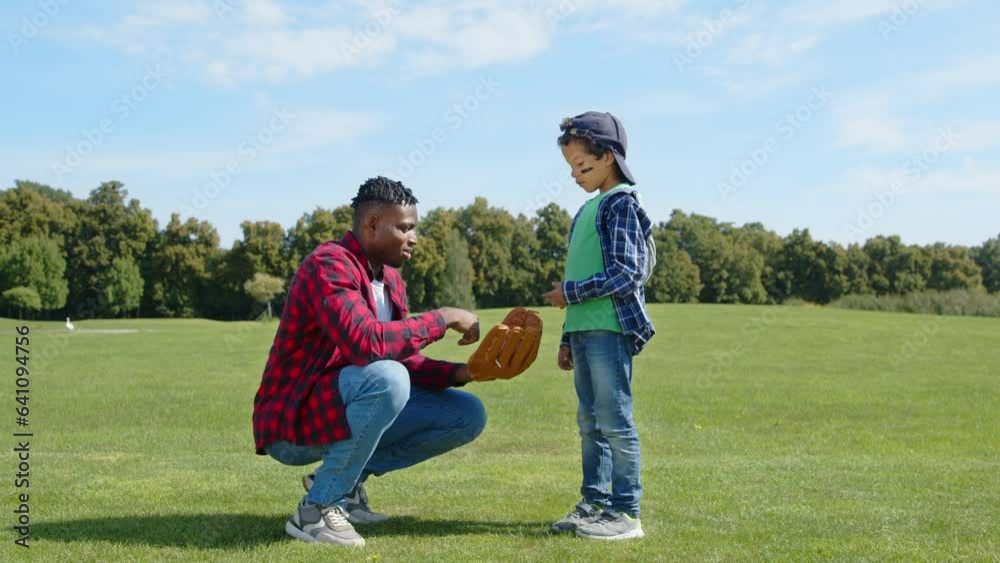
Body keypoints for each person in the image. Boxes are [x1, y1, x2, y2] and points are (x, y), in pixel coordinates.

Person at [252, 176, 486, 547]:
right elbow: (366, 344)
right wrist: (443, 317)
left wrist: (465, 372)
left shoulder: (390, 280)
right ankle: (315, 509)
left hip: (340, 407)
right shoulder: (328, 265)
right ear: (373, 223)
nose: (413, 238)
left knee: (467, 413)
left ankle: (341, 484)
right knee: (387, 379)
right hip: (293, 422)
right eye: (405, 228)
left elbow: (403, 357)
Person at [541, 111, 656, 541]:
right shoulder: (589, 209)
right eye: (571, 168)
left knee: (614, 421)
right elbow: (584, 267)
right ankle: (594, 503)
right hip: (586, 332)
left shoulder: (622, 203)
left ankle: (626, 512)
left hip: (610, 330)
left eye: (583, 166)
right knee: (589, 422)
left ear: (608, 157)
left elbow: (628, 273)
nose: (575, 175)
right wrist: (567, 336)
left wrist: (568, 295)